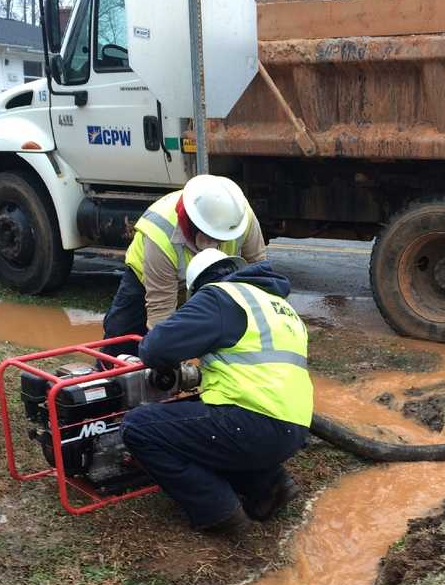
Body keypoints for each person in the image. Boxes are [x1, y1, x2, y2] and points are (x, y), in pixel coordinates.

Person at [120, 249, 312, 534]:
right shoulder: (277, 305)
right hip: (294, 428)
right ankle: (269, 485)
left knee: (138, 427)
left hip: (253, 423)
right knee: (204, 426)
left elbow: (155, 348)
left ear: (199, 286)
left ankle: (218, 512)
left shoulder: (219, 297)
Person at [102, 175, 267, 356]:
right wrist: (163, 358)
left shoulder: (239, 216)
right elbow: (161, 312)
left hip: (209, 277)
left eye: (219, 239)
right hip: (147, 280)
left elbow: (258, 272)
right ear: (191, 223)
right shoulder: (160, 233)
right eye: (209, 236)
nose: (214, 243)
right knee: (119, 340)